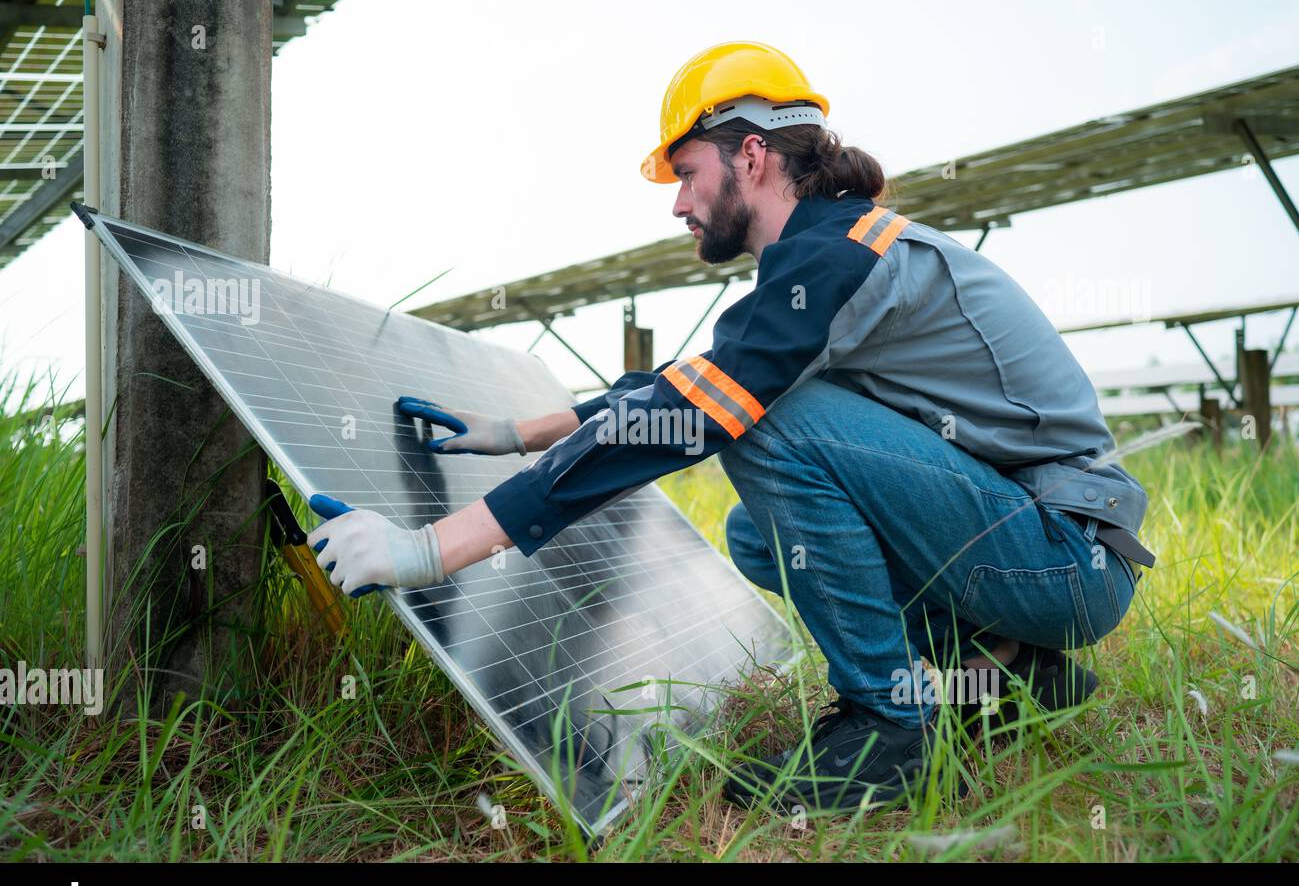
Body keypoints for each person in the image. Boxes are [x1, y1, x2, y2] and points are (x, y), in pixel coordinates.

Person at [308, 40, 1154, 813]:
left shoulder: (839, 256)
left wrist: (429, 549)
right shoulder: (829, 256)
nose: (678, 203)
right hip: (1042, 543)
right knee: (759, 536)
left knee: (763, 423)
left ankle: (891, 726)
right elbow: (688, 387)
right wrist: (514, 431)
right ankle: (1007, 673)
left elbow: (694, 414)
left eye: (686, 172)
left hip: (1066, 552)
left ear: (751, 155)